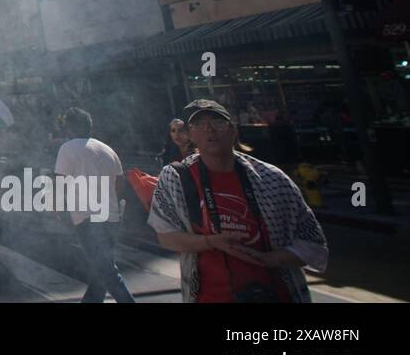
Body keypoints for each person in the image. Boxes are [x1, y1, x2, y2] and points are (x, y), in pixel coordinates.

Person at [149, 99, 328, 303]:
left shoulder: (272, 178)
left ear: (233, 129)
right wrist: (210, 242)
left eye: (217, 121)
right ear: (190, 135)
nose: (209, 129)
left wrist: (270, 259)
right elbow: (166, 236)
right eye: (199, 124)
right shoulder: (176, 178)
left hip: (277, 295)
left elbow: (313, 243)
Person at [54, 107, 135, 304]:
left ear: (69, 129)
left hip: (87, 218)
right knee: (101, 268)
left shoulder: (68, 148)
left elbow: (60, 182)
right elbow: (119, 184)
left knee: (107, 271)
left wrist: (57, 207)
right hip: (112, 217)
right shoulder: (106, 149)